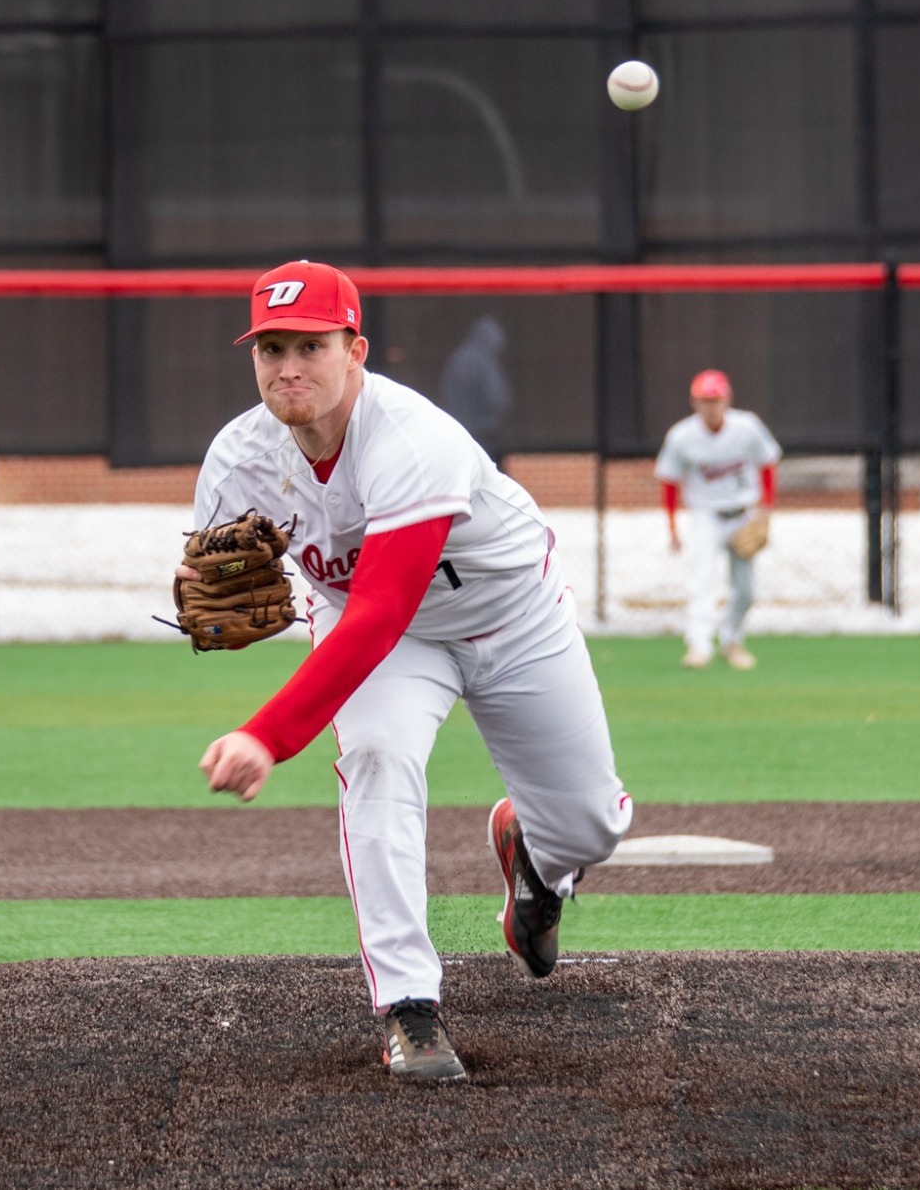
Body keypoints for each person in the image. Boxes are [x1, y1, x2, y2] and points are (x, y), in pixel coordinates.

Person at [180, 260, 634, 1083]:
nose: (288, 367)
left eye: (310, 346)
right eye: (270, 346)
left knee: (593, 825)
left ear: (355, 348)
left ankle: (536, 853)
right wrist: (214, 600)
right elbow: (232, 590)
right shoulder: (239, 457)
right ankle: (408, 1008)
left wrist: (267, 734)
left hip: (510, 618)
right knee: (378, 761)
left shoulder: (411, 438)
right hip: (387, 641)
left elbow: (382, 611)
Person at [654, 368, 782, 671]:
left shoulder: (747, 427)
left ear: (727, 400)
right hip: (705, 516)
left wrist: (766, 508)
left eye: (716, 399)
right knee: (702, 582)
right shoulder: (682, 436)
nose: (711, 406)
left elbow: (768, 462)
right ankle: (699, 647)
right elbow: (669, 481)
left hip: (743, 514)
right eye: (704, 400)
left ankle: (731, 641)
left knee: (747, 589)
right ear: (694, 402)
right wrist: (672, 526)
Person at [436, 315, 513, 461]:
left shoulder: (457, 358)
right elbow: (497, 399)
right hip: (484, 435)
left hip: (458, 432)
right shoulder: (483, 361)